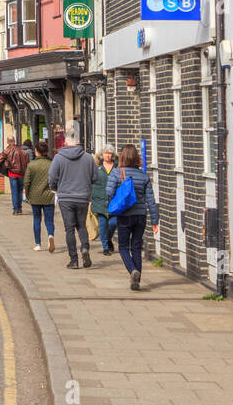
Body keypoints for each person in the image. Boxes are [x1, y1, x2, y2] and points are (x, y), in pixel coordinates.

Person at [107, 143, 160, 291]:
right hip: (140, 216)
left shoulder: (116, 173)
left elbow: (108, 192)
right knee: (136, 247)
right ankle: (137, 280)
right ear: (137, 157)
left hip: (124, 215)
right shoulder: (144, 175)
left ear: (122, 157)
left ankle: (132, 271)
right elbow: (151, 199)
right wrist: (155, 221)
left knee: (123, 247)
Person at [50, 123, 97, 270]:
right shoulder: (88, 158)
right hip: (83, 197)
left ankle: (74, 260)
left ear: (65, 142)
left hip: (65, 198)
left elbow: (51, 178)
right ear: (78, 141)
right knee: (81, 226)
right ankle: (85, 248)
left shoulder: (58, 158)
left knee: (69, 229)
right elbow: (95, 178)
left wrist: (55, 189)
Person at [23, 139, 56, 253]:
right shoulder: (52, 164)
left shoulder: (31, 165)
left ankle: (38, 244)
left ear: (36, 151)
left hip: (35, 196)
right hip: (49, 196)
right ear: (46, 151)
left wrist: (27, 195)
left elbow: (27, 182)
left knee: (37, 219)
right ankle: (50, 235)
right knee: (49, 220)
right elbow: (56, 180)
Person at [91, 147, 117, 255]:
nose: (108, 156)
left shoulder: (117, 168)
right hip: (99, 201)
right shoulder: (97, 168)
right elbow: (91, 185)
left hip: (114, 201)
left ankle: (108, 238)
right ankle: (105, 248)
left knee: (113, 223)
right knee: (102, 225)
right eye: (106, 153)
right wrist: (90, 200)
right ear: (102, 155)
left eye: (110, 154)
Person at [0, 136, 30, 216]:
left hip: (12, 173)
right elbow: (27, 163)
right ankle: (19, 208)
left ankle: (16, 209)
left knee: (14, 192)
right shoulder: (23, 151)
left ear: (7, 142)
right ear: (14, 141)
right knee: (20, 191)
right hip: (21, 174)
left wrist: (3, 168)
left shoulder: (6, 151)